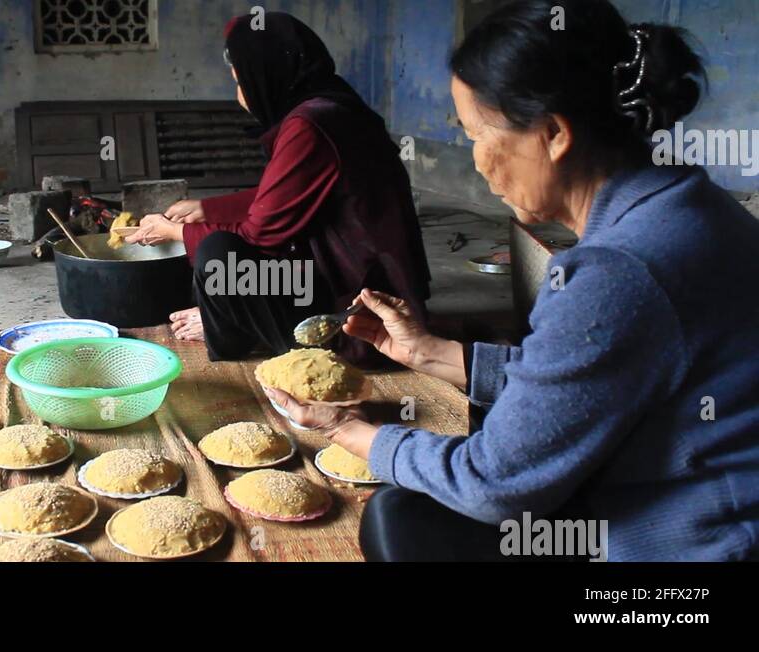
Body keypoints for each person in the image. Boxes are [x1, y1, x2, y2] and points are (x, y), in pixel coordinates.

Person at [267, 0, 759, 561]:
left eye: (477, 133)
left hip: (693, 556)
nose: (476, 161)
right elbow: (583, 382)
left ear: (553, 133)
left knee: (401, 524)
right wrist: (429, 353)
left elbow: (495, 483)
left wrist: (354, 433)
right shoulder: (691, 206)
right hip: (689, 502)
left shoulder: (618, 271)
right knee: (406, 516)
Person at [125, 12, 430, 367]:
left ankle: (231, 331)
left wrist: (175, 231)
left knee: (218, 255)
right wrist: (207, 209)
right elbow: (292, 195)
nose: (240, 93)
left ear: (265, 75)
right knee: (220, 256)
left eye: (241, 81)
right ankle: (228, 317)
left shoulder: (310, 126)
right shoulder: (335, 106)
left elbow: (262, 233)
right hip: (358, 279)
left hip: (350, 306)